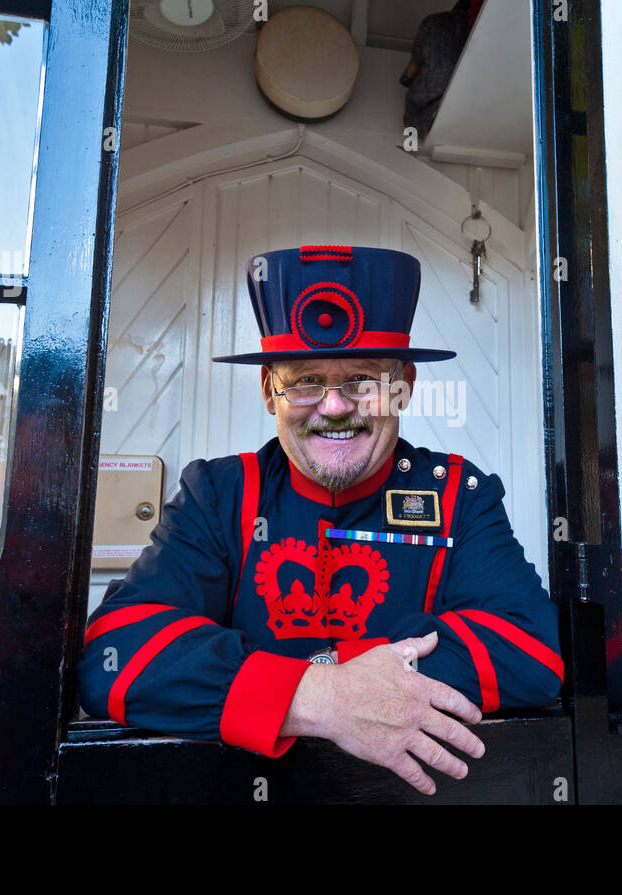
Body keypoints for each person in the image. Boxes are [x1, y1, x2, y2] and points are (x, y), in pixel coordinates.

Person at [77, 245, 561, 795]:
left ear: (403, 385)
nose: (334, 407)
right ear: (269, 391)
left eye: (361, 379)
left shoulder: (458, 495)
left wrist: (301, 675)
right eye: (305, 380)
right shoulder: (216, 495)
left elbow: (531, 652)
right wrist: (324, 696)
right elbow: (115, 654)